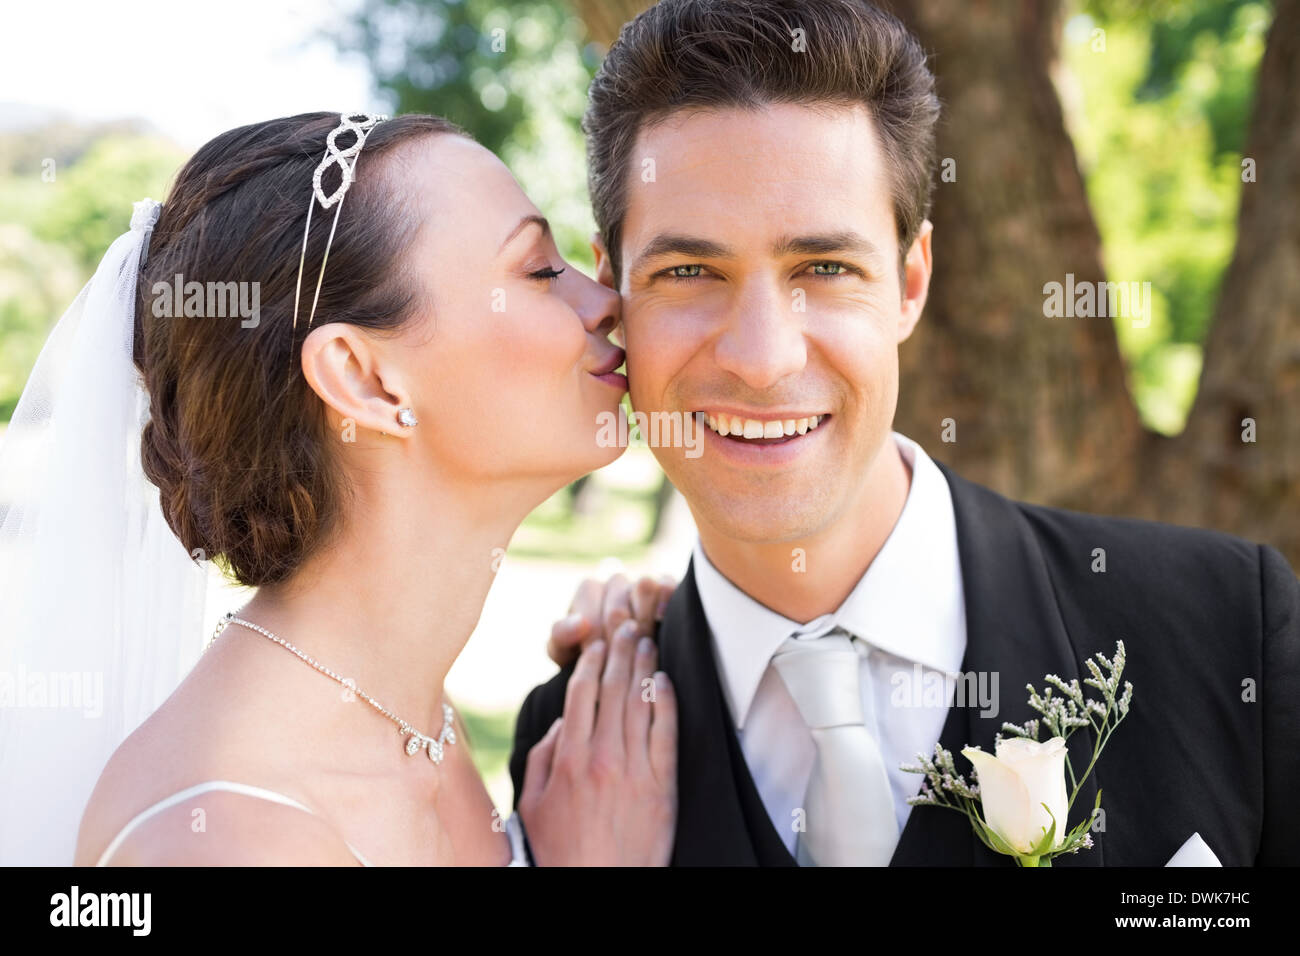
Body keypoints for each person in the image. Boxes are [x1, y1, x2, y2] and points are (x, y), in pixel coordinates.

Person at [509, 0, 1300, 866]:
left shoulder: (1229, 627)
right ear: (614, 287)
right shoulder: (567, 752)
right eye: (690, 270)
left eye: (824, 268)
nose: (762, 359)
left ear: (910, 283)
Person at [0, 111, 675, 866]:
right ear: (363, 378)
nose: (606, 299)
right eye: (540, 271)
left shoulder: (410, 718)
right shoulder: (222, 840)